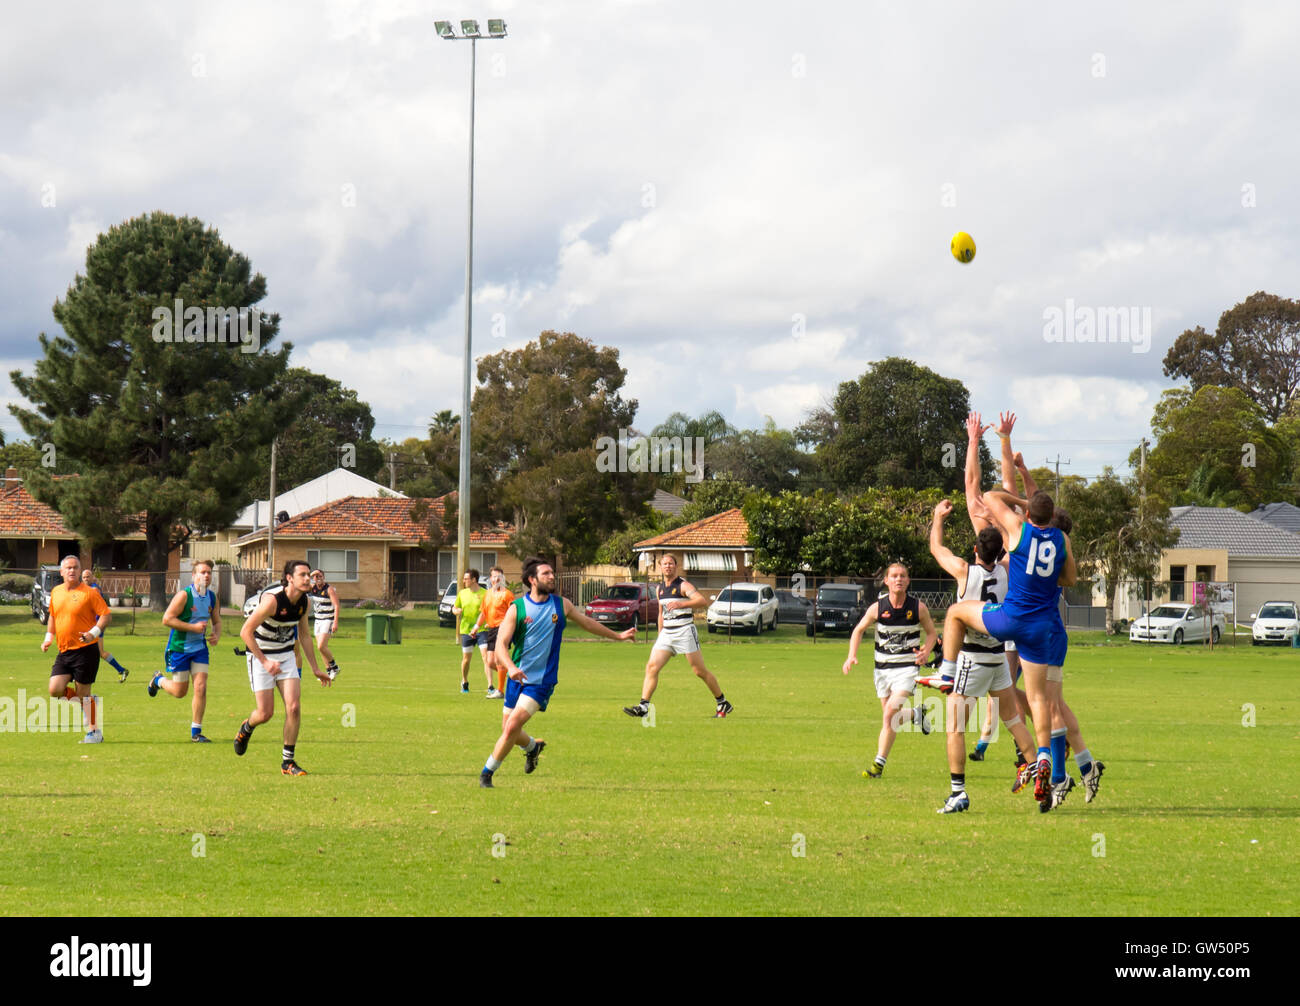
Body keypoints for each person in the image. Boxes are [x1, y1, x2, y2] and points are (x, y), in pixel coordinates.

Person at [933, 483, 1091, 812]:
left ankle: (944, 672)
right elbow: (1071, 579)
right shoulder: (1062, 540)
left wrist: (1022, 502)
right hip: (1041, 628)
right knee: (1039, 700)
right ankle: (1044, 757)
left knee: (955, 613)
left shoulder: (1018, 530)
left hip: (1009, 621)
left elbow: (989, 496)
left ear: (1030, 514)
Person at [479, 557, 635, 788]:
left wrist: (618, 635)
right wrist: (511, 668)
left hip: (541, 681)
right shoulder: (517, 608)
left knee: (511, 728)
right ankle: (533, 747)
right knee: (508, 730)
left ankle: (486, 774)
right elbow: (501, 645)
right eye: (546, 574)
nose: (552, 577)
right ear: (532, 580)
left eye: (552, 573)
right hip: (516, 678)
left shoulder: (562, 605)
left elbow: (588, 624)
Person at [926, 501, 1040, 812]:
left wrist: (938, 518)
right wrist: (997, 519)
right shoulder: (1007, 572)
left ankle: (958, 792)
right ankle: (1038, 773)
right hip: (999, 658)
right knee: (1014, 721)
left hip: (972, 660)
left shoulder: (964, 570)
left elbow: (937, 548)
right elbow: (1010, 546)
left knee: (955, 729)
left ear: (976, 550)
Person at [234, 559, 330, 775]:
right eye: (303, 575)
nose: (308, 579)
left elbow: (304, 635)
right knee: (265, 713)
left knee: (294, 707)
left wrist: (315, 668)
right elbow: (245, 632)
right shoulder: (272, 601)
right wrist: (265, 662)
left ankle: (288, 762)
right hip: (260, 655)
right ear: (289, 578)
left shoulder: (305, 602)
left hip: (285, 655)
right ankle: (247, 727)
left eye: (309, 575)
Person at [842, 563, 938, 778]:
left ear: (908, 580)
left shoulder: (918, 607)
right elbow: (858, 631)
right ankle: (916, 714)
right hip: (882, 671)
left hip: (907, 670)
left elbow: (932, 634)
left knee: (888, 716)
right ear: (886, 580)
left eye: (903, 576)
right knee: (891, 718)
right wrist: (851, 655)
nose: (899, 579)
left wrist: (926, 651)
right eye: (894, 576)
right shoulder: (877, 607)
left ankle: (878, 765)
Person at [623, 553, 733, 720]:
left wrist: (683, 603)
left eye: (671, 563)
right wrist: (661, 635)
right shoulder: (659, 589)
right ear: (660, 567)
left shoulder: (683, 585)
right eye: (665, 564)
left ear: (676, 566)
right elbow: (661, 613)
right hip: (667, 633)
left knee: (699, 671)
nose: (668, 566)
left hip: (684, 630)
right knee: (652, 667)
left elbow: (701, 601)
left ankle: (722, 701)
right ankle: (643, 706)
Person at [147, 560, 221, 742]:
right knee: (180, 692)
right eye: (202, 572)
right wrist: (192, 627)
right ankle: (158, 680)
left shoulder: (212, 597)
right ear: (194, 575)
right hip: (179, 648)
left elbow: (217, 621)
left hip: (200, 649)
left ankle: (196, 732)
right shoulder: (184, 596)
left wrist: (216, 634)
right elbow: (167, 619)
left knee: (201, 687)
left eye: (209, 572)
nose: (206, 575)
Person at [43, 556, 110, 744]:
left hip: (86, 650)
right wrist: (49, 638)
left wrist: (93, 632)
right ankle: (88, 702)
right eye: (68, 568)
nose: (72, 571)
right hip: (64, 651)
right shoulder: (56, 592)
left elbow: (106, 616)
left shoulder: (90, 593)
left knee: (83, 695)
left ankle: (94, 732)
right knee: (55, 690)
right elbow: (53, 616)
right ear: (62, 572)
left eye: (75, 568)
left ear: (80, 571)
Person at [80, 568, 130, 682]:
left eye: (88, 576)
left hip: (98, 625)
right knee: (96, 652)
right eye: (84, 577)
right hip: (91, 625)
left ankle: (121, 670)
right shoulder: (86, 589)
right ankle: (121, 670)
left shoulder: (94, 589)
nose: (86, 579)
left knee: (96, 652)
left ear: (92, 578)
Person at [472, 566, 513, 699]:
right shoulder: (488, 594)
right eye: (494, 576)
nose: (496, 579)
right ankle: (512, 673)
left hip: (503, 628)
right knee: (490, 662)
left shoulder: (507, 594)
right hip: (491, 629)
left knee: (498, 659)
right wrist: (476, 627)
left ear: (502, 578)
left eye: (499, 576)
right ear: (490, 579)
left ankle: (500, 691)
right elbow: (484, 613)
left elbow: (514, 612)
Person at [453, 569, 488, 695]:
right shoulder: (462, 593)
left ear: (474, 580)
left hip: (482, 629)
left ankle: (490, 686)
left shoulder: (485, 593)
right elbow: (455, 607)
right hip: (466, 630)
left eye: (466, 578)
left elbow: (488, 610)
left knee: (486, 657)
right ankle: (464, 681)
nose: (464, 581)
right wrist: (456, 611)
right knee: (466, 659)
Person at [307, 570, 341, 681]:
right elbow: (305, 580)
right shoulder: (313, 587)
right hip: (318, 620)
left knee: (321, 646)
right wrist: (312, 574)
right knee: (320, 648)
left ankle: (334, 667)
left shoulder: (329, 589)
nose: (318, 578)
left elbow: (336, 606)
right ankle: (329, 671)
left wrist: (335, 622)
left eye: (320, 576)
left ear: (324, 577)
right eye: (316, 577)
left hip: (328, 619)